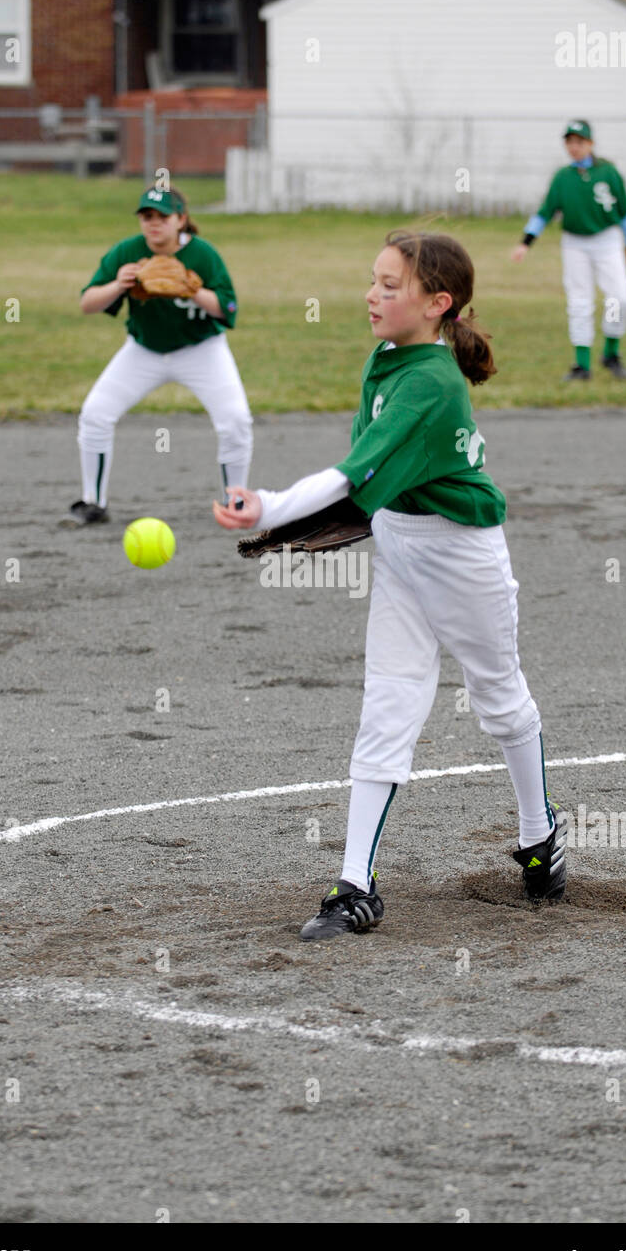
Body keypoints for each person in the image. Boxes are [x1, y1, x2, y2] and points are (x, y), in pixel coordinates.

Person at [214, 230, 567, 941]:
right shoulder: (387, 356)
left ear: (439, 303)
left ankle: (539, 836)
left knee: (497, 696)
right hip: (403, 545)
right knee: (389, 702)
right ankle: (355, 887)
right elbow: (365, 474)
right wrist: (359, 516)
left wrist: (273, 506)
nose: (371, 295)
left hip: (462, 556)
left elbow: (351, 474)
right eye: (372, 280)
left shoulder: (432, 383)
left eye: (389, 285)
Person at [66, 185, 252, 525]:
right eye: (146, 216)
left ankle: (236, 503)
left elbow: (228, 310)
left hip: (202, 350)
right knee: (95, 413)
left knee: (236, 420)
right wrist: (118, 285)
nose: (153, 224)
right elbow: (87, 303)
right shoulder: (128, 252)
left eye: (162, 217)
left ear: (181, 220)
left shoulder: (203, 255)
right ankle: (93, 502)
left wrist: (194, 290)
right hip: (143, 351)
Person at [511, 119, 626, 382]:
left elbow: (624, 212)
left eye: (579, 142)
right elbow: (545, 212)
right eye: (569, 142)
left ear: (590, 143)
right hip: (575, 243)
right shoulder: (563, 177)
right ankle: (582, 366)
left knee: (620, 298)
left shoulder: (609, 172)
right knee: (579, 301)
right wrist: (525, 243)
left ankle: (611, 354)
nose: (574, 147)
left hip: (607, 239)